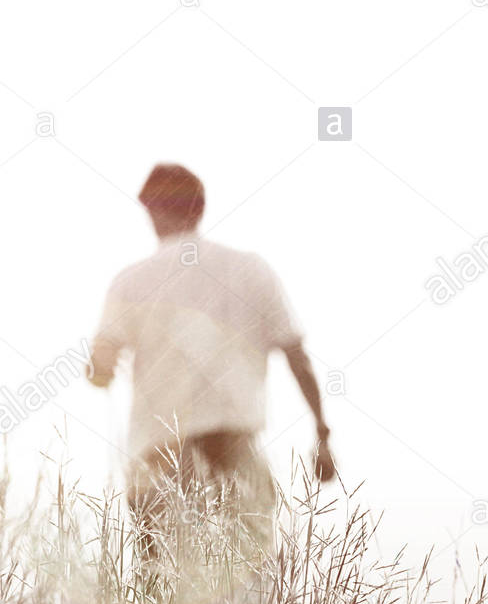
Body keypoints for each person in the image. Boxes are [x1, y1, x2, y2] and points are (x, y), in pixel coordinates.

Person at [87, 163, 334, 554]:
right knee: (252, 585)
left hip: (161, 453)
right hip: (236, 447)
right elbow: (296, 356)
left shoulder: (131, 282)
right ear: (199, 208)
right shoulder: (251, 269)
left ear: (152, 210)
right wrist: (321, 434)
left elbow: (100, 370)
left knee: (164, 587)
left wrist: (98, 369)